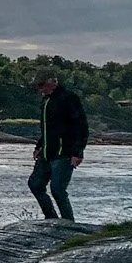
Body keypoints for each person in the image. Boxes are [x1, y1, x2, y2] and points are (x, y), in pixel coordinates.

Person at [29, 72, 87, 221]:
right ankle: (51, 218)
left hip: (64, 153)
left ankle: (68, 223)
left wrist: (78, 152)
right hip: (47, 152)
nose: (40, 89)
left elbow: (81, 126)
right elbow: (48, 128)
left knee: (58, 190)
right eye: (38, 86)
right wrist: (39, 146)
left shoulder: (68, 98)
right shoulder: (46, 100)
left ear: (53, 82)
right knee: (35, 185)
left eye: (42, 85)